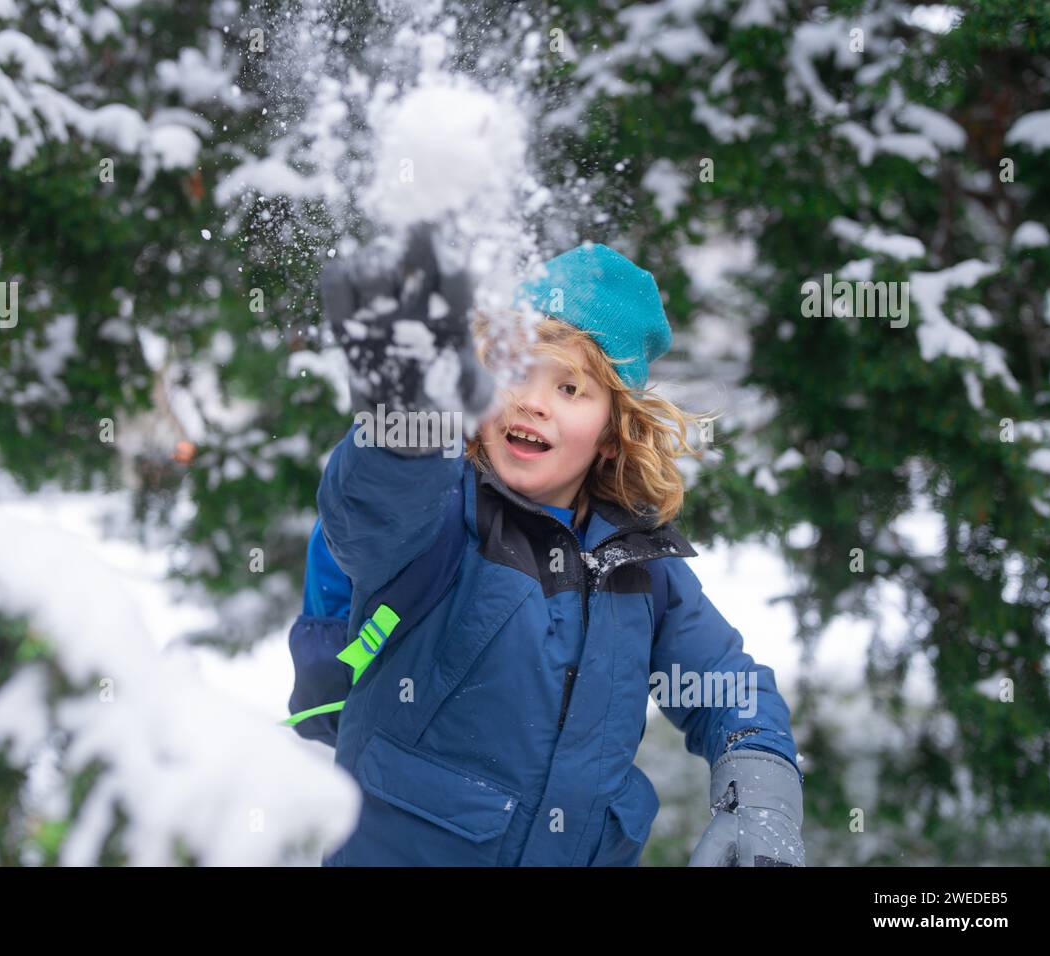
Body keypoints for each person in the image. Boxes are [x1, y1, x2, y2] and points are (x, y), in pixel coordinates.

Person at [309, 224, 805, 866]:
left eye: (570, 389)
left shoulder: (640, 567)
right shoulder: (440, 514)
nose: (534, 403)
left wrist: (761, 796)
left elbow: (723, 682)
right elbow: (369, 508)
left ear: (610, 431)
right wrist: (405, 411)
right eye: (517, 372)